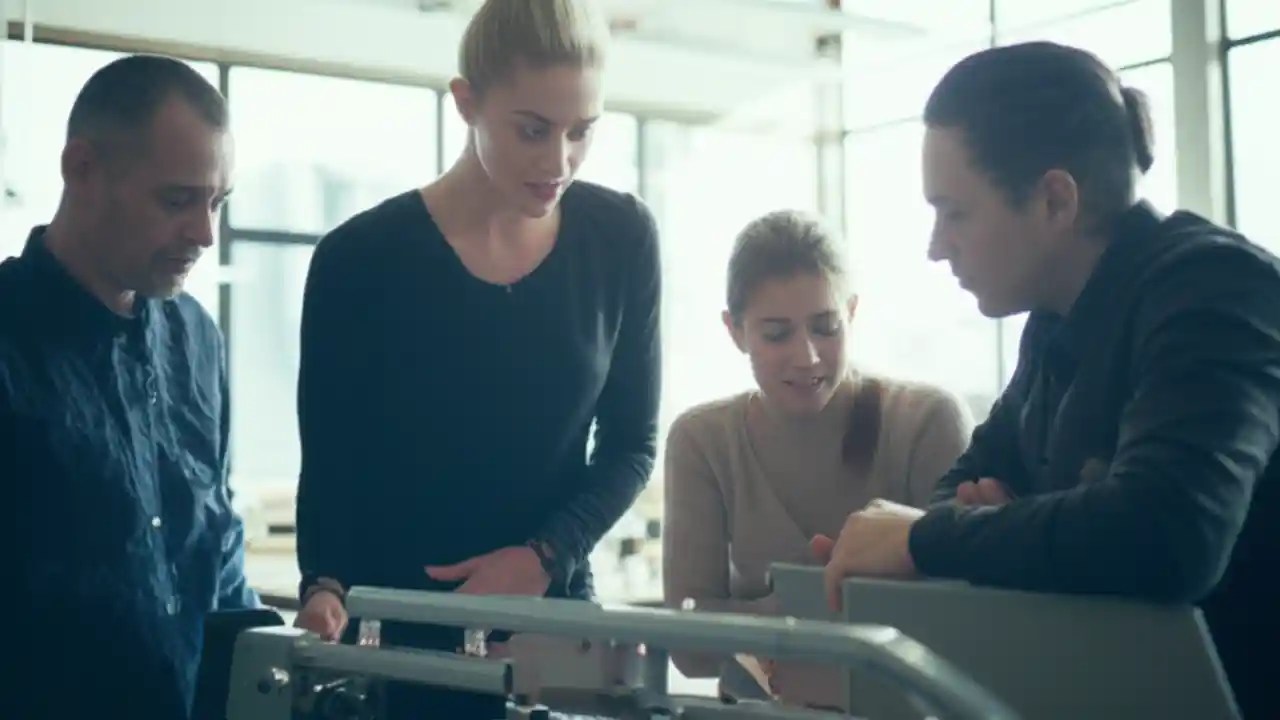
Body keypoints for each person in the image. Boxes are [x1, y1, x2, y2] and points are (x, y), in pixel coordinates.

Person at [815, 41, 1279, 719]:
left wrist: (925, 540)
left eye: (955, 212)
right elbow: (962, 485)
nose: (936, 245)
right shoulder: (1053, 321)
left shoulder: (1215, 289)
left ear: (1055, 199)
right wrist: (1014, 529)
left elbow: (1168, 532)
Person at [292, 0, 661, 716]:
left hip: (550, 621)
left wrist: (544, 556)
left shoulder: (621, 237)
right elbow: (333, 466)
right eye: (532, 130)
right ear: (466, 102)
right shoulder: (359, 258)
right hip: (397, 634)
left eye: (581, 132)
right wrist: (323, 587)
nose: (559, 162)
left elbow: (632, 446)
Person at [3, 55, 258, 719]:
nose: (205, 233)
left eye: (217, 202)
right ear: (82, 170)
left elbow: (218, 547)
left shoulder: (199, 339)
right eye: (177, 200)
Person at [663, 210, 972, 709]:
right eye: (777, 333)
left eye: (825, 327)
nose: (807, 356)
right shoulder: (702, 440)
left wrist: (763, 615)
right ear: (735, 331)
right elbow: (687, 646)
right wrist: (830, 610)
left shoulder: (924, 420)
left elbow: (963, 621)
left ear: (851, 313)